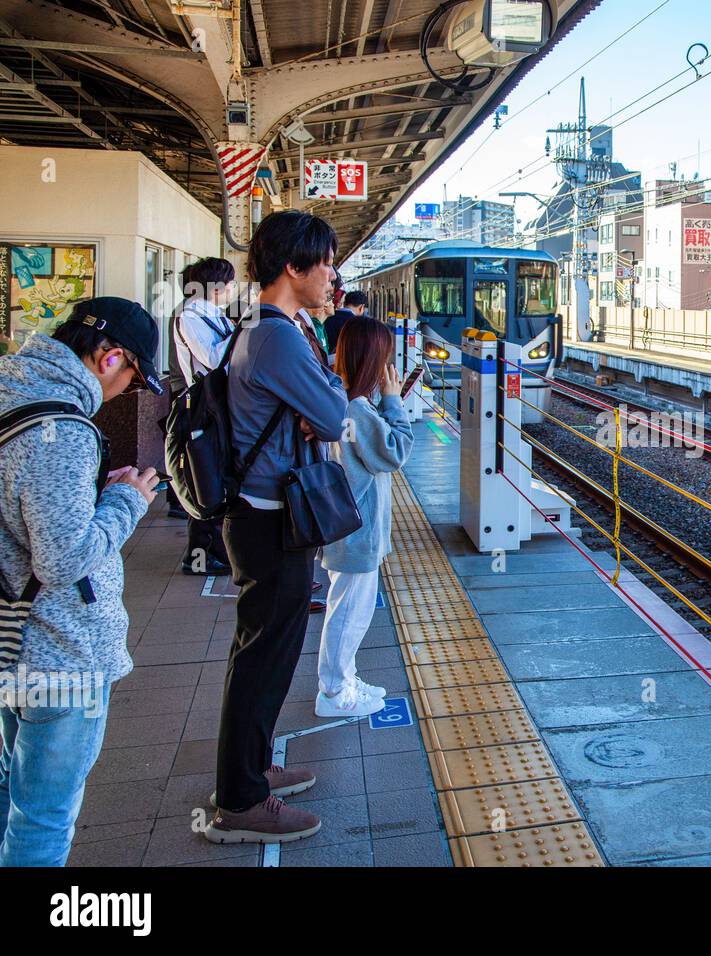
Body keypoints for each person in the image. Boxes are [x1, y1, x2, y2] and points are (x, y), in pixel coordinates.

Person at [0, 297, 162, 866]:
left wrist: (90, 496)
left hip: (10, 635)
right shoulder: (61, 429)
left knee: (11, 793)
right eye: (135, 378)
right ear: (110, 358)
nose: (128, 391)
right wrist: (124, 500)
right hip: (57, 650)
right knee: (43, 815)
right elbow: (64, 561)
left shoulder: (10, 391)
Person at [205, 210, 348, 846]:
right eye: (325, 264)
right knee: (265, 657)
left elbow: (321, 410)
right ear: (293, 267)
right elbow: (335, 411)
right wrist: (322, 403)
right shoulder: (279, 337)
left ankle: (254, 771)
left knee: (265, 650)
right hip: (268, 521)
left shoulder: (264, 328)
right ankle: (240, 800)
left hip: (263, 514)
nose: (332, 277)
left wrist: (318, 405)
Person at [316, 317, 413, 718]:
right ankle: (334, 691)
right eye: (385, 358)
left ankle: (346, 678)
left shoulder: (340, 398)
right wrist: (393, 400)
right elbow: (396, 451)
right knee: (349, 612)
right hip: (356, 531)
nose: (389, 366)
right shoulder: (356, 408)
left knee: (352, 609)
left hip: (348, 526)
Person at [170, 257, 236, 576]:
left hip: (216, 404)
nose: (233, 290)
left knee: (214, 473)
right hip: (201, 407)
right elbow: (211, 359)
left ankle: (212, 550)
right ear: (217, 286)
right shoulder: (189, 316)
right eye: (230, 284)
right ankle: (197, 556)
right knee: (204, 474)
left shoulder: (213, 314)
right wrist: (241, 333)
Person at [323, 290, 368, 359]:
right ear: (362, 307)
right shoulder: (358, 324)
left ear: (344, 303)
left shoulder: (327, 317)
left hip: (323, 358)